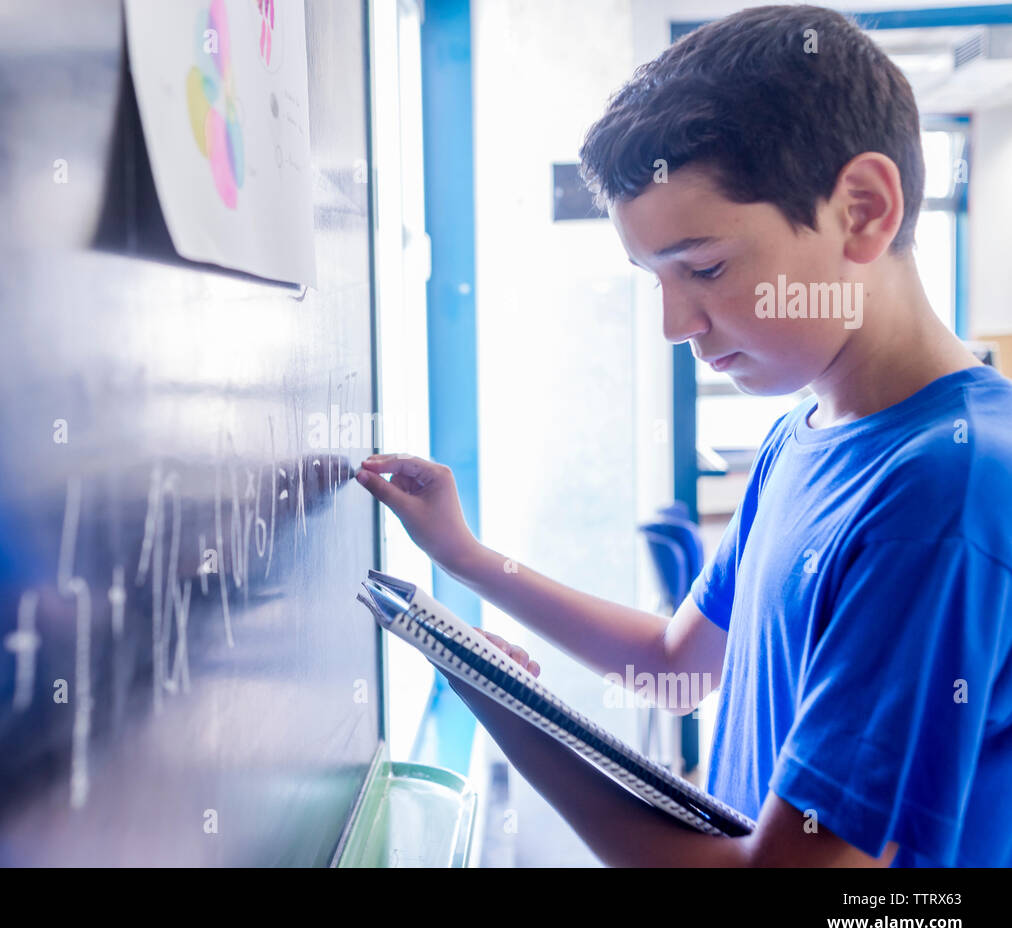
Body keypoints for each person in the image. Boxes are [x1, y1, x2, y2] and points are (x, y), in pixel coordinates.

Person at [355, 4, 1012, 867]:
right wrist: (470, 560)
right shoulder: (803, 432)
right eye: (654, 278)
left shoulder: (944, 488)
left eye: (705, 268)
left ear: (863, 210)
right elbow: (677, 664)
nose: (675, 324)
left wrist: (498, 703)